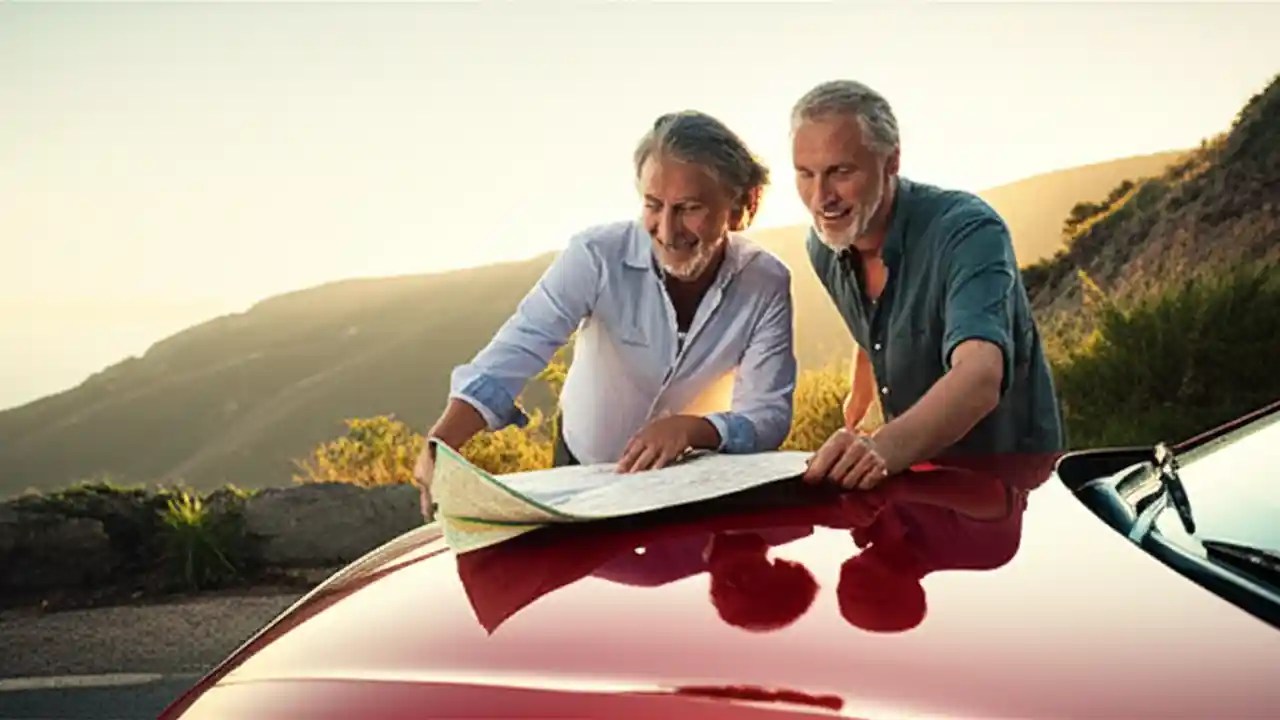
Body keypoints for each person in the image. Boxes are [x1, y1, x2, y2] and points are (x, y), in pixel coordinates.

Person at [413, 110, 798, 517]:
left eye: (689, 208)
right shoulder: (596, 256)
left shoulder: (766, 282)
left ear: (741, 205)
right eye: (653, 205)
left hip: (688, 480)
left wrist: (694, 430)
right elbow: (520, 346)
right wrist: (443, 442)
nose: (667, 230)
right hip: (582, 467)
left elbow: (767, 412)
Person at [789, 79, 1065, 491]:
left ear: (891, 162)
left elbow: (980, 374)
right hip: (912, 484)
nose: (820, 197)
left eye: (840, 172)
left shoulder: (970, 232)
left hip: (1007, 488)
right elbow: (871, 322)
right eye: (805, 174)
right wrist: (861, 394)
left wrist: (881, 448)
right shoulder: (825, 244)